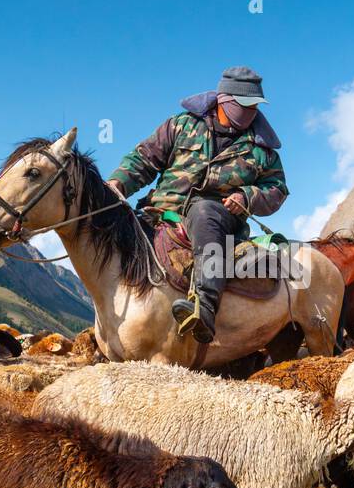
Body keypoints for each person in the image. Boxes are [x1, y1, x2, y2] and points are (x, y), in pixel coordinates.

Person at [106, 66, 288, 343]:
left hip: (218, 216)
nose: (252, 112)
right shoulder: (181, 125)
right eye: (245, 105)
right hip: (159, 210)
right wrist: (118, 182)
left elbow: (277, 189)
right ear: (225, 100)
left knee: (204, 212)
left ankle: (204, 308)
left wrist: (247, 197)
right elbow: (144, 159)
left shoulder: (262, 149)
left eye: (255, 106)